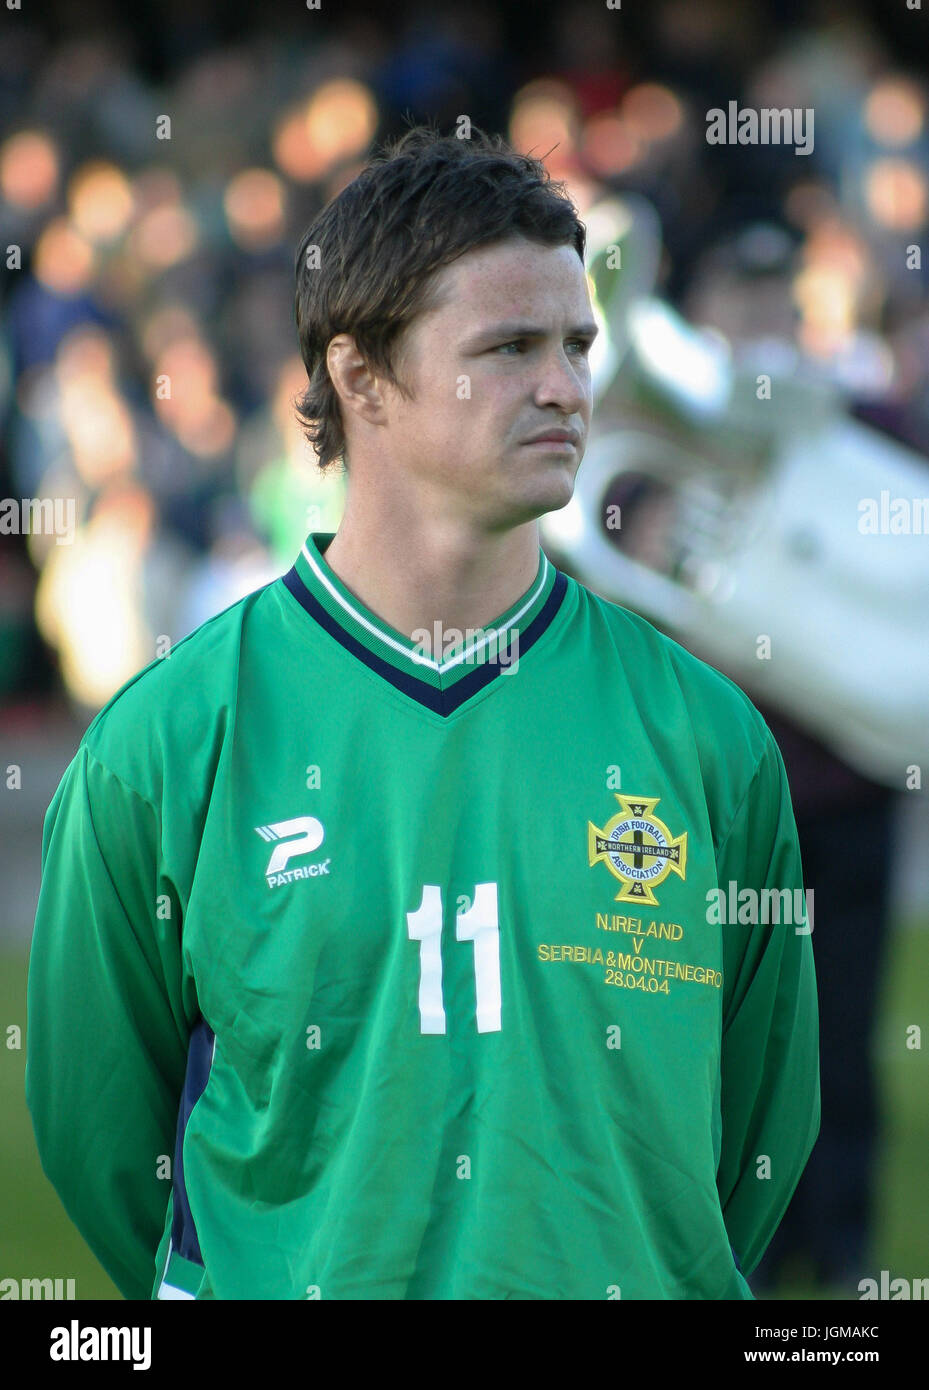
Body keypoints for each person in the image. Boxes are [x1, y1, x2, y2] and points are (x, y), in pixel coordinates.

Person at [26, 126, 819, 1301]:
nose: (563, 385)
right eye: (507, 347)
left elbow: (759, 1132)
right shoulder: (170, 738)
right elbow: (100, 1138)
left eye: (575, 345)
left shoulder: (705, 733)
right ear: (359, 378)